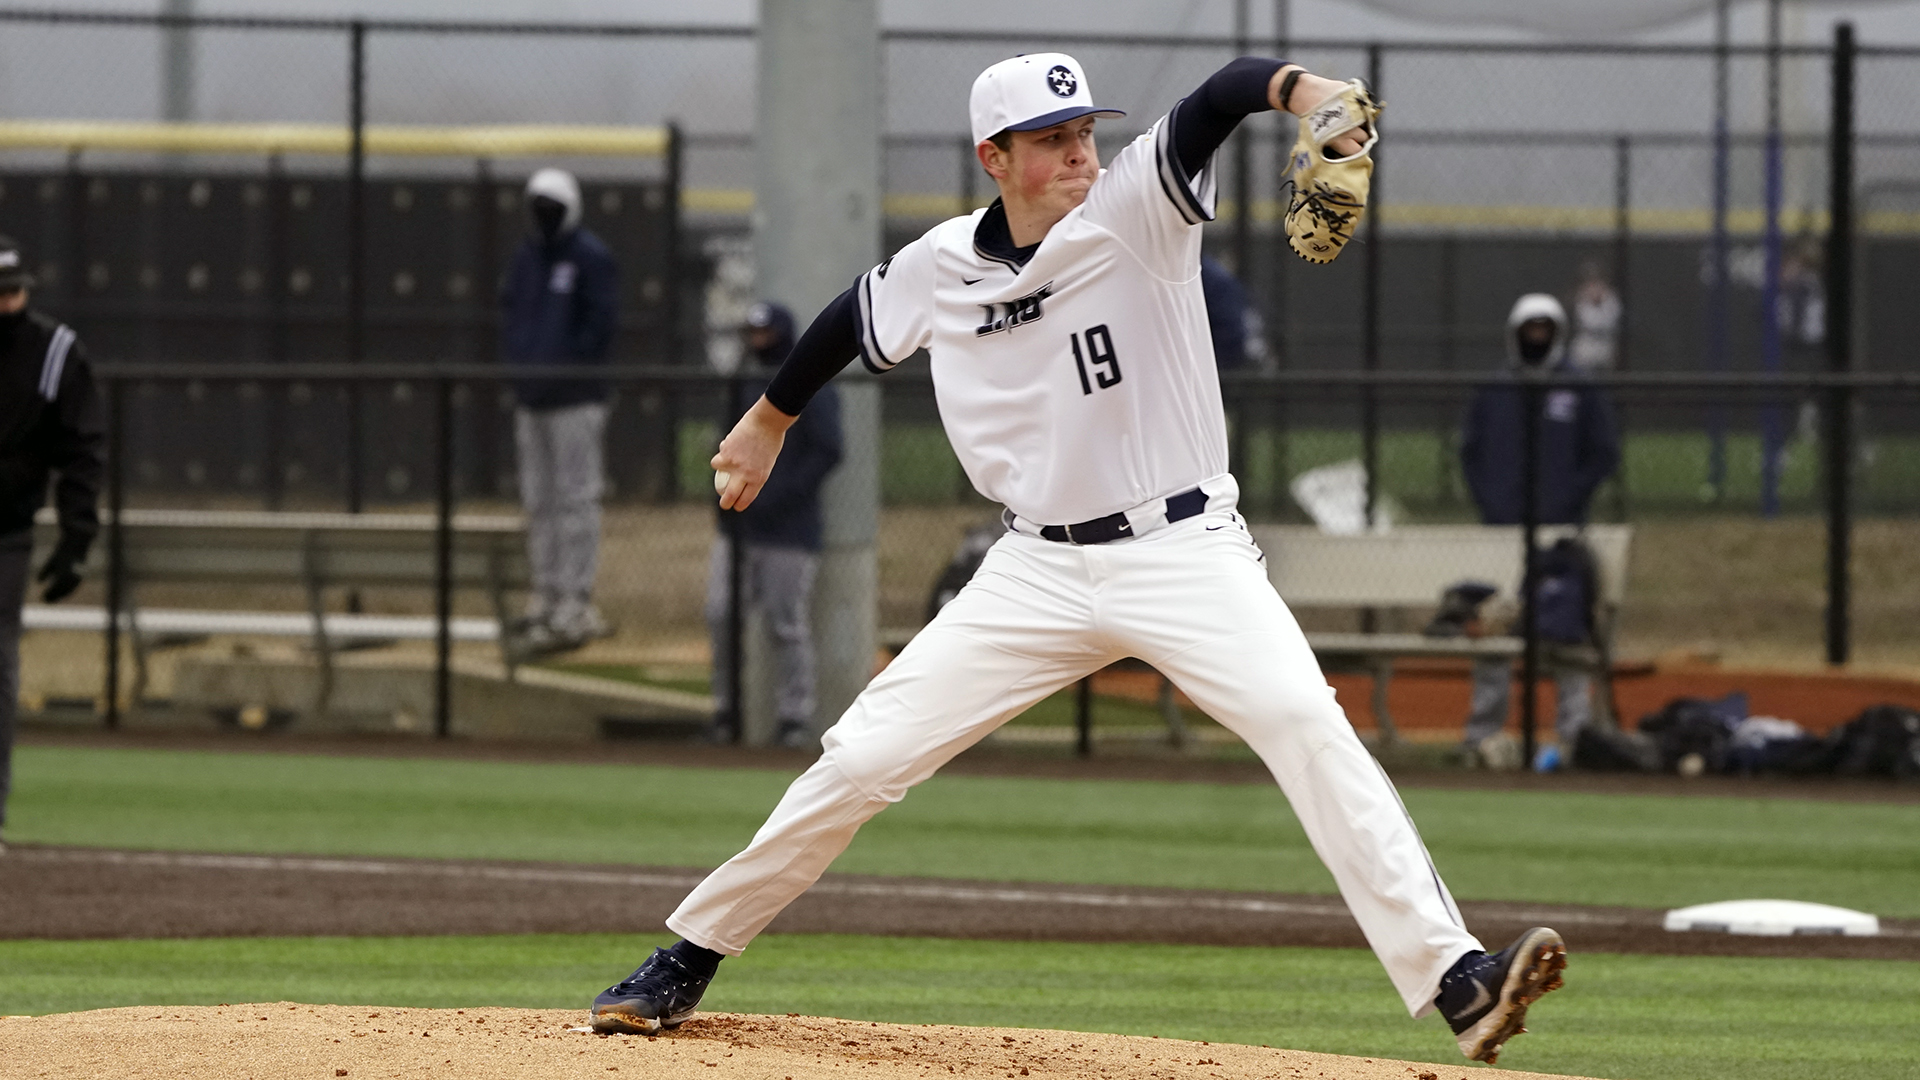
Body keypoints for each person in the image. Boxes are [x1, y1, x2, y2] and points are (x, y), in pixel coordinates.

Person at [593, 54, 1566, 1064]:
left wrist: (1310, 96)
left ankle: (1460, 979)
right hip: (1034, 571)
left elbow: (1226, 92)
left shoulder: (1136, 207)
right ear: (994, 158)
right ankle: (689, 955)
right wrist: (766, 419)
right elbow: (851, 317)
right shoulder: (940, 266)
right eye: (1053, 139)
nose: (1079, 153)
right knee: (865, 757)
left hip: (1183, 549)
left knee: (1302, 722)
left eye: (1085, 131)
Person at [1458, 294, 1621, 770]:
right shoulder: (1495, 387)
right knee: (1495, 627)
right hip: (1500, 531)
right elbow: (1471, 451)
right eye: (1529, 329)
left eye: (1545, 329)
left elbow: (1603, 452)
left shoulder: (1578, 386)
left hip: (1560, 537)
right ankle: (1483, 738)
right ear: (1515, 333)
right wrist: (1492, 500)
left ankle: (1572, 736)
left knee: (1565, 633)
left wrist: (1570, 499)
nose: (1536, 338)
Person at [0, 235, 104, 852]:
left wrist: (76, 538)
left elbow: (82, 450)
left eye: (14, 293)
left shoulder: (53, 352)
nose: (7, 306)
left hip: (5, 531)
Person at [706, 302, 844, 748]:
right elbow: (723, 444)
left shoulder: (810, 384)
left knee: (786, 624)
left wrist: (779, 497)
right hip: (739, 526)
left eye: (765, 333)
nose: (757, 340)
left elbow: (828, 450)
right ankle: (725, 712)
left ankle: (794, 718)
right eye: (752, 332)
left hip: (789, 529)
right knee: (721, 616)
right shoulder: (743, 381)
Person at [501, 167, 621, 653]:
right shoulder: (527, 259)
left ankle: (575, 598)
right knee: (539, 501)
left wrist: (564, 366)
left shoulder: (591, 258)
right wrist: (522, 370)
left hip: (575, 399)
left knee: (575, 499)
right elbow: (511, 314)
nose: (543, 216)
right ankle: (546, 594)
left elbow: (600, 324)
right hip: (532, 400)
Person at [1567, 260, 1622, 373]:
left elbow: (1610, 321)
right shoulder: (1579, 299)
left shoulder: (1611, 298)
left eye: (1597, 282)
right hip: (1585, 344)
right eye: (1590, 282)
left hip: (1605, 345)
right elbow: (1587, 321)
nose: (1594, 287)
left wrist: (1601, 300)